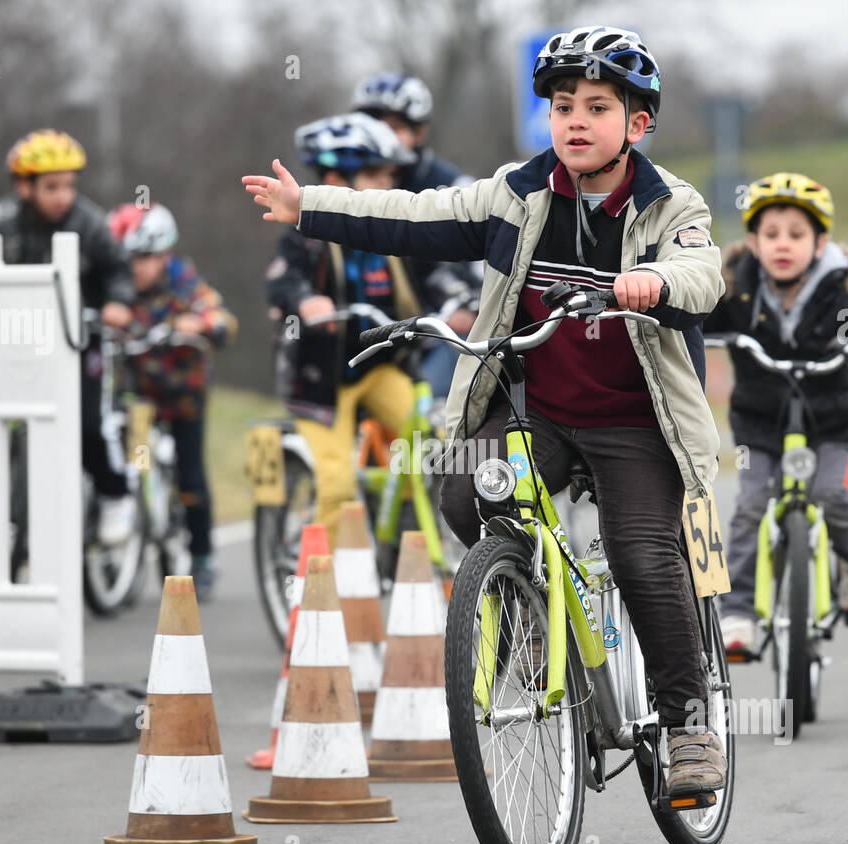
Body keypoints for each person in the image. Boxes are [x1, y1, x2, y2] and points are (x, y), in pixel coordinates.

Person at [246, 26, 728, 795]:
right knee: (463, 487)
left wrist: (660, 285)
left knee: (640, 554)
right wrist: (310, 208)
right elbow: (411, 214)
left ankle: (686, 718)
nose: (574, 119)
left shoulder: (669, 204)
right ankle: (529, 610)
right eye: (563, 105)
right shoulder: (517, 192)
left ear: (637, 125)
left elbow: (704, 270)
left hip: (636, 426)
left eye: (597, 106)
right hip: (536, 412)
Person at [701, 172, 848, 655]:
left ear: (820, 242)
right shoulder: (737, 290)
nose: (784, 245)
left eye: (797, 235)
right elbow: (696, 317)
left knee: (829, 492)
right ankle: (737, 612)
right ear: (753, 241)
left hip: (831, 417)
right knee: (749, 507)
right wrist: (676, 324)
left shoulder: (840, 290)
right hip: (761, 421)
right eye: (771, 234)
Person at [0, 129, 139, 546]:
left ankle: (113, 494)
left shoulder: (89, 223)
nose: (63, 197)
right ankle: (9, 524)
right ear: (24, 186)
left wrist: (118, 303)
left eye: (70, 186)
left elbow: (119, 269)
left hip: (80, 343)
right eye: (51, 187)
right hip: (17, 344)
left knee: (89, 424)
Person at [263, 112, 425, 541]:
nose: (387, 184)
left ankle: (400, 536)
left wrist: (460, 300)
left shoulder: (394, 226)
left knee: (436, 444)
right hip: (322, 383)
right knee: (336, 485)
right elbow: (282, 278)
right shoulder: (305, 231)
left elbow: (433, 273)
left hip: (379, 368)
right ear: (334, 178)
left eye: (388, 173)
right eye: (374, 174)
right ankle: (314, 593)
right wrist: (304, 300)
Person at [107, 202, 238, 601]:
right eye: (129, 258)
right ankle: (125, 540)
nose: (136, 267)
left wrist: (199, 324)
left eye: (144, 258)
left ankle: (202, 556)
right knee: (131, 462)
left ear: (165, 254)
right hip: (137, 397)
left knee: (190, 475)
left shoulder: (185, 283)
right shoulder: (118, 288)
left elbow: (222, 319)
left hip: (183, 395)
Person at [352, 72, 481, 398]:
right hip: (371, 331)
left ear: (419, 131)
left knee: (423, 418)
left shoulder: (455, 187)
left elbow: (487, 264)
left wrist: (470, 304)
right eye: (372, 125)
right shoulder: (348, 183)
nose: (381, 136)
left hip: (435, 332)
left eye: (394, 127)